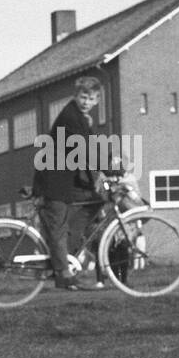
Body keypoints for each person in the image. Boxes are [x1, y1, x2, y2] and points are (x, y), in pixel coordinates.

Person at [32, 73, 110, 292]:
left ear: (96, 101)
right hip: (53, 178)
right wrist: (112, 169)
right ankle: (63, 273)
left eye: (91, 98)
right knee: (57, 227)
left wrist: (108, 168)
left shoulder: (81, 117)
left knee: (95, 201)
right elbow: (88, 149)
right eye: (83, 97)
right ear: (76, 96)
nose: (86, 101)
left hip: (67, 178)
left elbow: (93, 146)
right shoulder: (71, 117)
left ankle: (67, 255)